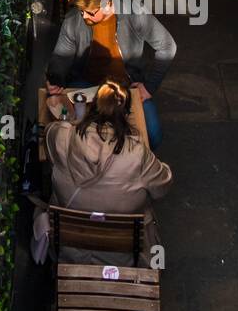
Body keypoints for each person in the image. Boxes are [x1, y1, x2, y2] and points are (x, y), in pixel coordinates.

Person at [43, 80, 172, 266]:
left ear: (92, 108)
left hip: (72, 251)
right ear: (125, 116)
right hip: (126, 255)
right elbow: (162, 187)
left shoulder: (63, 137)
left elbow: (50, 132)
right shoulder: (137, 154)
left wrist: (74, 123)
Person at [47, 0, 177, 149]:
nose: (85, 17)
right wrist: (55, 79)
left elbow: (168, 46)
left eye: (91, 12)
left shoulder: (134, 12)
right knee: (74, 136)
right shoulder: (74, 19)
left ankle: (141, 167)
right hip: (86, 83)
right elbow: (61, 56)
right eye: (82, 11)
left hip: (125, 86)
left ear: (107, 3)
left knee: (153, 134)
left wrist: (149, 86)